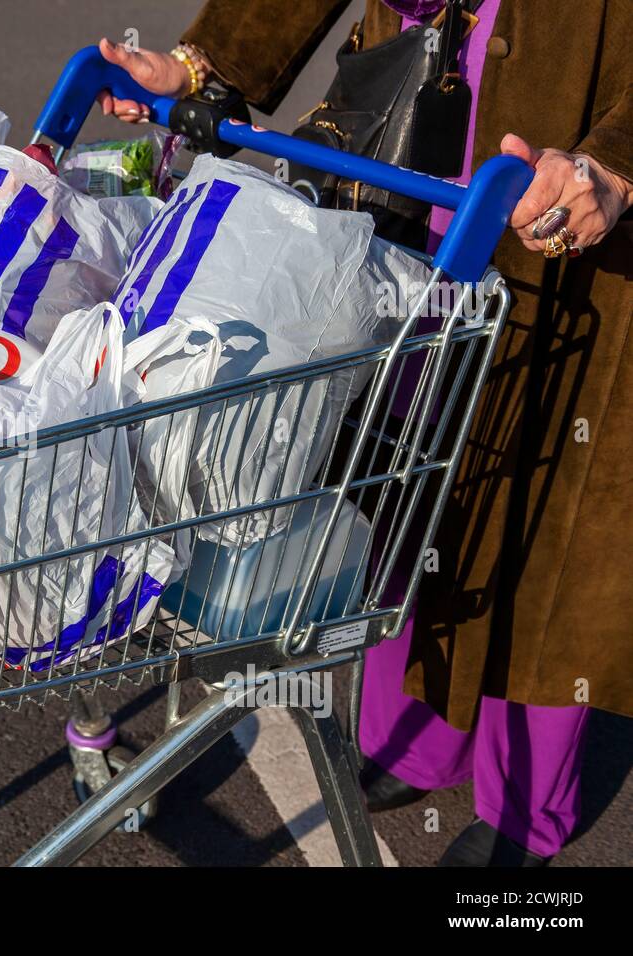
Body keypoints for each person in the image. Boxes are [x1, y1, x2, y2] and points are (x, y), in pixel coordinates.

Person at [95, 0, 633, 865]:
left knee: (548, 503)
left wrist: (617, 164)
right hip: (417, 123)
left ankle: (525, 805)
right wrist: (204, 63)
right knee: (402, 448)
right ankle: (420, 734)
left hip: (570, 158)